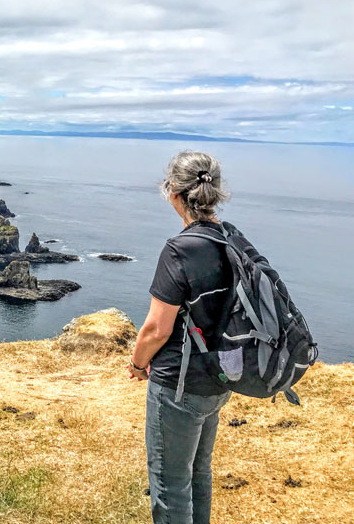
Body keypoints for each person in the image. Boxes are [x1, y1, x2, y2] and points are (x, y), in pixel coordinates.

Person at [127, 150, 238, 524]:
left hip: (177, 385)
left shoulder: (180, 249)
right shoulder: (230, 241)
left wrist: (137, 363)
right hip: (219, 380)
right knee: (198, 472)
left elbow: (156, 329)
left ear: (172, 190)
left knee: (170, 483)